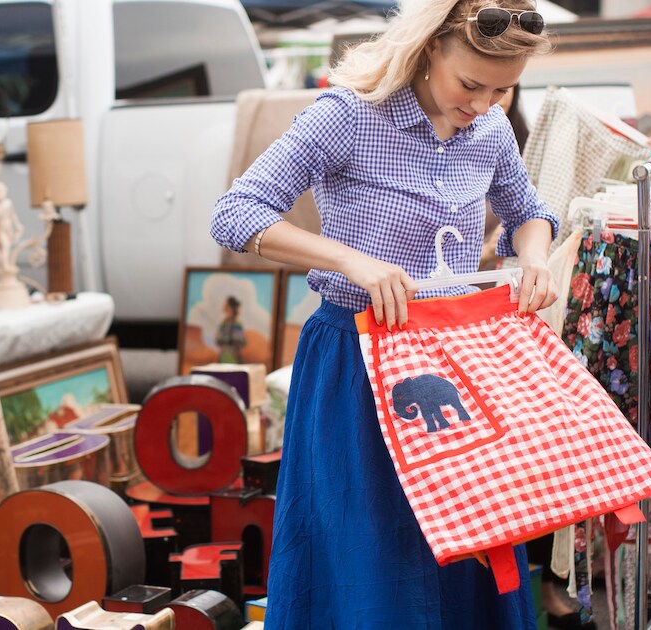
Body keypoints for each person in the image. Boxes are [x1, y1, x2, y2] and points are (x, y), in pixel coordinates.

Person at [210, 1, 559, 628]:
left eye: (503, 90)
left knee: (466, 538)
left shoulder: (493, 129)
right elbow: (236, 214)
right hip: (356, 360)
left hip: (454, 363)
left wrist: (534, 256)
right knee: (365, 545)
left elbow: (528, 209)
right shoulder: (347, 115)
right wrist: (351, 261)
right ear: (429, 50)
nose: (482, 105)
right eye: (470, 85)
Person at [215, 296, 247, 363]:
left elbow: (240, 342)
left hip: (234, 357)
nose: (224, 306)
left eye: (226, 305)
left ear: (230, 307)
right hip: (223, 356)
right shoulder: (224, 323)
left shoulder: (237, 324)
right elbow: (218, 340)